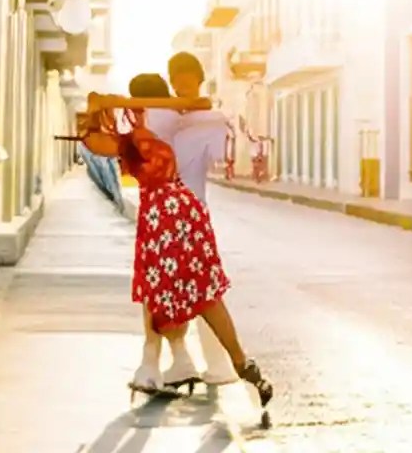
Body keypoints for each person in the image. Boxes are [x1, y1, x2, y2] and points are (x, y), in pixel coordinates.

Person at [80, 78, 272, 406]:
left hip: (159, 214)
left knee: (157, 289)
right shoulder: (173, 121)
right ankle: (241, 363)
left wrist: (98, 109)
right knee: (205, 293)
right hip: (186, 207)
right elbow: (203, 106)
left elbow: (93, 142)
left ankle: (160, 362)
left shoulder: (132, 137)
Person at [130, 53, 237, 389]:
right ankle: (213, 363)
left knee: (163, 288)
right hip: (194, 210)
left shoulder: (162, 117)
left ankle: (168, 362)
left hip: (171, 211)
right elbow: (221, 155)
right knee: (199, 290)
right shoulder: (197, 115)